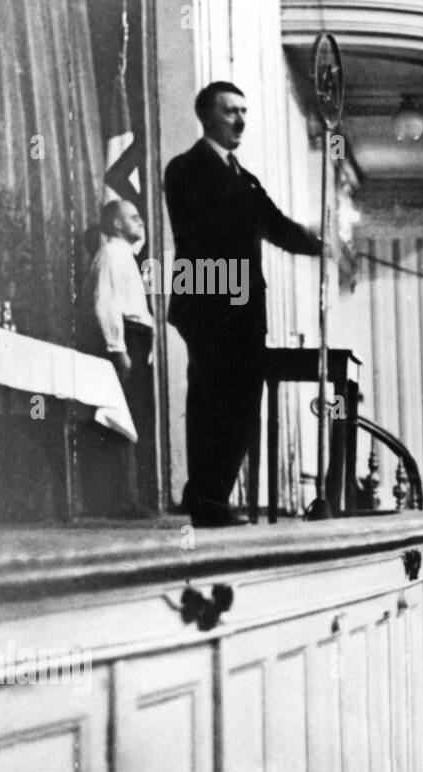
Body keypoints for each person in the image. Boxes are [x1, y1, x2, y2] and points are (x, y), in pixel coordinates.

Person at [164, 82, 323, 526]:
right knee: (212, 401)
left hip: (245, 310)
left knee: (242, 406)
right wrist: (251, 208)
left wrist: (320, 242)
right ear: (206, 116)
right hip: (210, 302)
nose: (240, 120)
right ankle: (206, 498)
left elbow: (275, 226)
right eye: (230, 111)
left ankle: (213, 494)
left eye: (244, 112)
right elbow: (207, 228)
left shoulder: (244, 178)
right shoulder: (185, 169)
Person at [78, 199, 156, 515]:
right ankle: (120, 501)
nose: (141, 221)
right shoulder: (111, 254)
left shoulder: (126, 256)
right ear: (116, 225)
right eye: (133, 217)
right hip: (122, 343)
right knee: (121, 419)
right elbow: (104, 302)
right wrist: (118, 348)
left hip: (134, 340)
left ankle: (129, 499)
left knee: (135, 418)